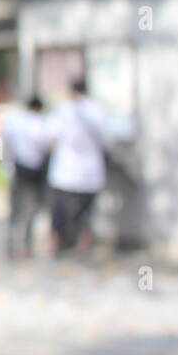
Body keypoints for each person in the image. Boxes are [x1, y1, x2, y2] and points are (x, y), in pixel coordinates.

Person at [46, 79, 109, 257]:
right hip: (91, 170)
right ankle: (83, 245)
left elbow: (50, 138)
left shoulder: (63, 110)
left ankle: (55, 244)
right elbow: (107, 141)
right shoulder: (97, 110)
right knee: (86, 212)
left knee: (59, 211)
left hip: (64, 170)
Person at [2, 96, 50, 259]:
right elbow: (47, 147)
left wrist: (5, 164)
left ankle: (11, 242)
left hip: (17, 168)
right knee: (32, 208)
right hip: (36, 171)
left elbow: (3, 143)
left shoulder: (14, 122)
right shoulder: (42, 124)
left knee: (16, 208)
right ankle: (26, 244)